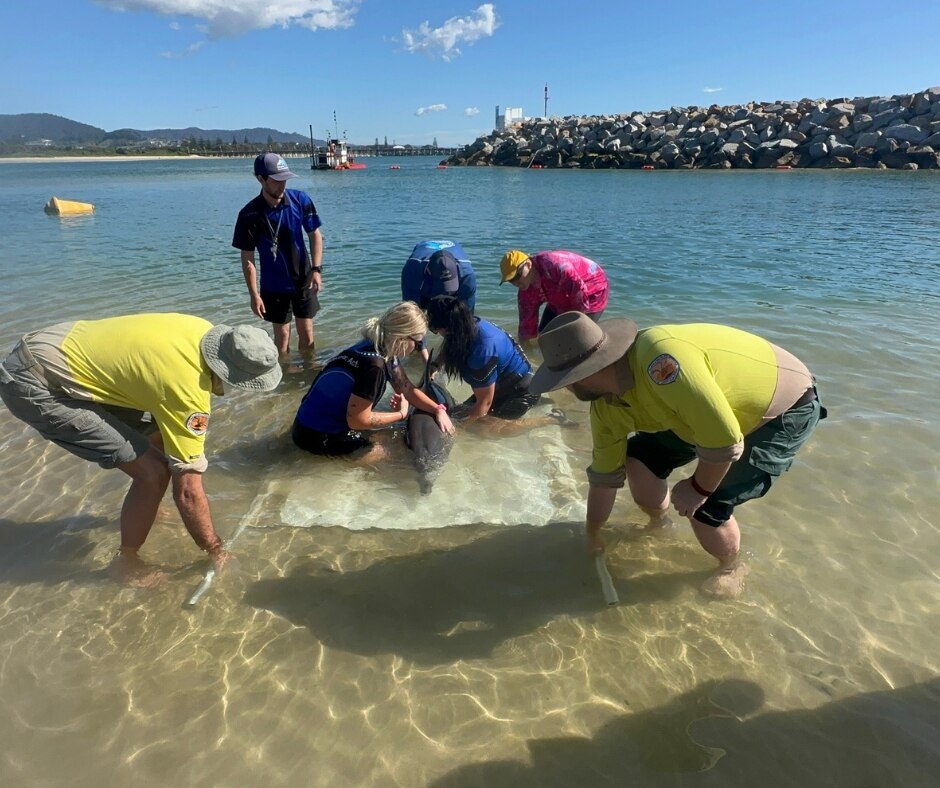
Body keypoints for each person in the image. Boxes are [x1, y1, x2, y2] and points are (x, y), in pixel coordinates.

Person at [529, 312, 827, 598]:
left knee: (707, 507)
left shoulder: (662, 363)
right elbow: (604, 478)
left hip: (783, 404)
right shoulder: (606, 408)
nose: (564, 389)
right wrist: (593, 533)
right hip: (704, 412)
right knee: (637, 460)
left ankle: (731, 567)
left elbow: (723, 441)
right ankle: (659, 523)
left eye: (564, 381)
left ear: (586, 374)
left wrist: (698, 488)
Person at [0, 314, 282, 586]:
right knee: (154, 473)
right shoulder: (187, 392)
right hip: (35, 385)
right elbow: (187, 492)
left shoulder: (198, 327)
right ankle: (126, 560)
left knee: (156, 437)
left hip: (48, 346)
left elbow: (154, 390)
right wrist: (216, 549)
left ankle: (146, 507)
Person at [292, 301, 455, 461]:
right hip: (316, 438)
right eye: (418, 342)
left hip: (303, 424)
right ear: (402, 338)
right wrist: (401, 414)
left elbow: (406, 387)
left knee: (383, 434)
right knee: (395, 455)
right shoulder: (374, 367)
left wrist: (437, 409)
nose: (418, 347)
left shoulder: (375, 346)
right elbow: (357, 421)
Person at [425, 295, 574, 431]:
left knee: (489, 430)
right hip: (502, 385)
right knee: (456, 413)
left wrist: (458, 431)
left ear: (446, 327)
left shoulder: (482, 353)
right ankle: (543, 402)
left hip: (521, 391)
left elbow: (484, 405)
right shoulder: (465, 325)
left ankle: (553, 419)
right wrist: (436, 365)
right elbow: (451, 343)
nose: (438, 333)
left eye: (436, 329)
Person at [232, 153, 324, 362]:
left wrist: (317, 270)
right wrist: (254, 294)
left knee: (307, 335)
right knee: (282, 338)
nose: (282, 185)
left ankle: (308, 376)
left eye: (285, 179)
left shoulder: (301, 200)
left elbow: (315, 235)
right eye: (276, 180)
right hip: (274, 285)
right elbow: (247, 258)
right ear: (261, 179)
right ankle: (284, 377)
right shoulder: (249, 214)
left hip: (303, 280)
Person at [499, 249, 609, 342]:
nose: (515, 283)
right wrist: (526, 352)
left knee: (575, 338)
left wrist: (574, 326)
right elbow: (526, 329)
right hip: (559, 295)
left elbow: (580, 294)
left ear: (528, 264)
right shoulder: (525, 294)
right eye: (511, 280)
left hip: (592, 288)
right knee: (546, 336)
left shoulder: (555, 266)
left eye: (517, 276)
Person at [402, 240, 477, 312]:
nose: (443, 293)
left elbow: (468, 311)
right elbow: (410, 310)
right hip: (423, 275)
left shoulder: (467, 276)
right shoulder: (412, 270)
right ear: (428, 271)